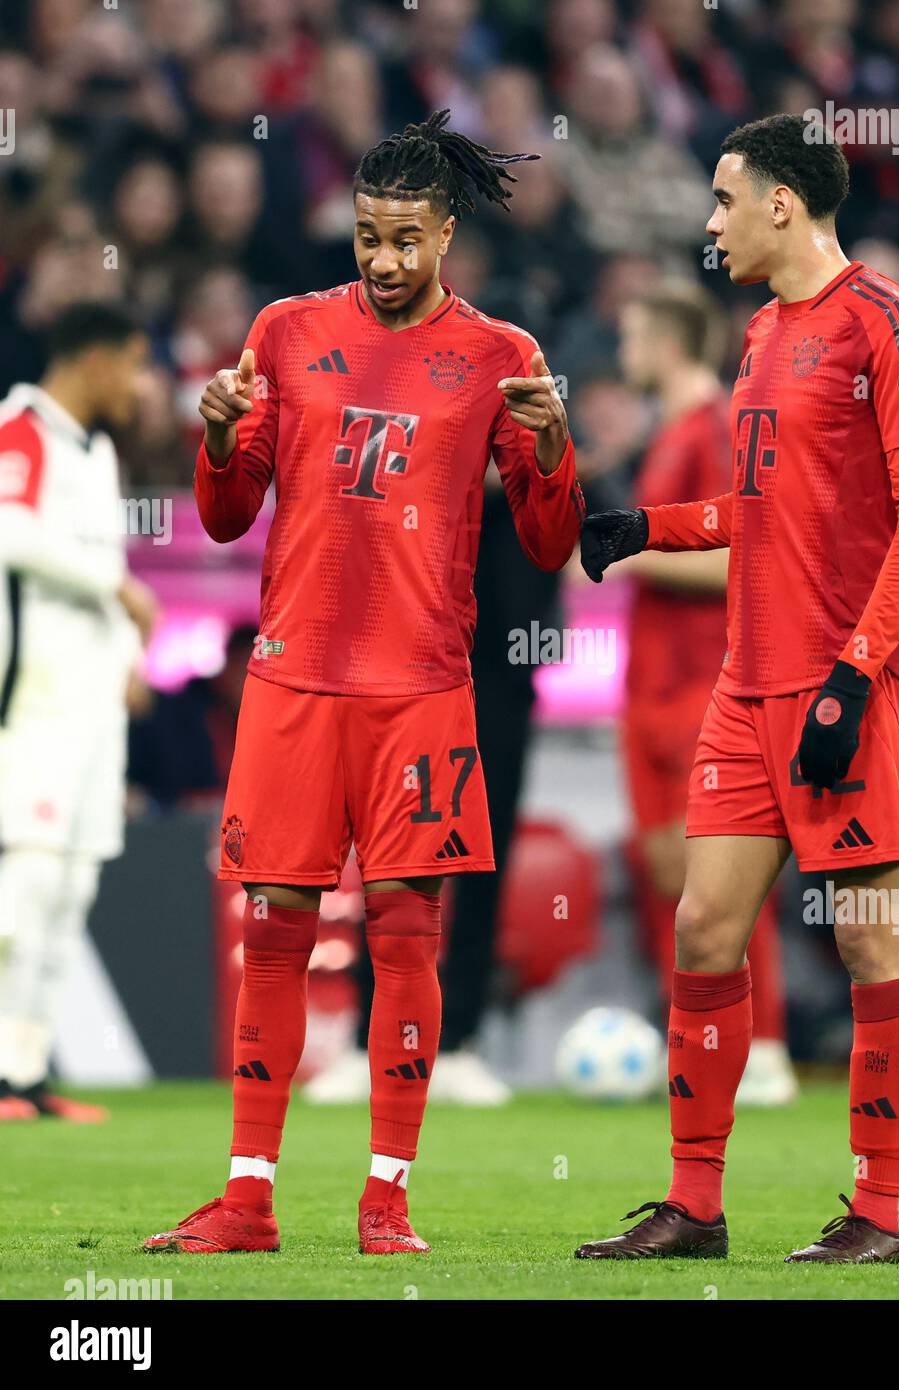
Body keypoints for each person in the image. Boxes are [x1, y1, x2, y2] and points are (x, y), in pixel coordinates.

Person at [142, 111, 583, 1257]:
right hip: (292, 679)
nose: (381, 262)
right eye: (364, 238)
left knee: (404, 937)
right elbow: (229, 514)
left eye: (404, 240)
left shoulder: (500, 355)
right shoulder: (285, 332)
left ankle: (385, 1202)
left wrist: (550, 451)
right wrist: (221, 438)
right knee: (275, 925)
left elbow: (545, 543)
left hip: (421, 688)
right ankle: (247, 1199)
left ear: (445, 234)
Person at [576, 113, 899, 1263]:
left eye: (722, 198)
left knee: (866, 940)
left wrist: (852, 670)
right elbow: (759, 512)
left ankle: (876, 1217)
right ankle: (694, 1207)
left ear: (781, 202)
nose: (709, 221)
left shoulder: (889, 323)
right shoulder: (758, 335)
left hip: (856, 680)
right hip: (749, 685)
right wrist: (644, 526)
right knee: (700, 926)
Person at [614, 281, 797, 1107]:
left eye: (633, 334)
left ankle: (762, 1046)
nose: (623, 352)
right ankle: (692, 1037)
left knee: (723, 870)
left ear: (667, 340)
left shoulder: (718, 427)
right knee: (663, 872)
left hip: (701, 682)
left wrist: (629, 550)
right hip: (646, 685)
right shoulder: (671, 430)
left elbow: (739, 557)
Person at [0, 302, 155, 1123]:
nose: (140, 383)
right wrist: (116, 590)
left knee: (70, 886)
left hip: (95, 709)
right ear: (93, 359)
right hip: (33, 704)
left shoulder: (96, 454)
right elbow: (9, 535)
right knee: (24, 883)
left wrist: (127, 660)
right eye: (132, 362)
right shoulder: (20, 426)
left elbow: (105, 563)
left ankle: (24, 1073)